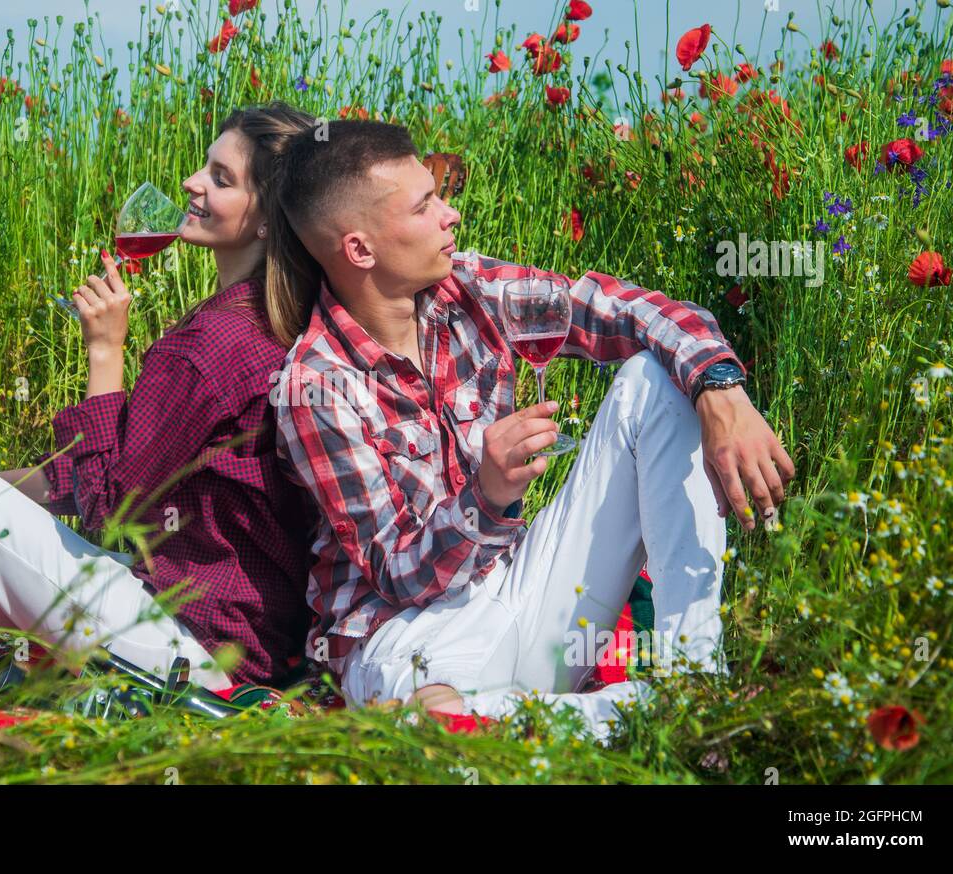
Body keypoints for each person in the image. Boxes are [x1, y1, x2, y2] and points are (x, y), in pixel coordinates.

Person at [270, 120, 795, 742]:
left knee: (655, 378)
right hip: (409, 635)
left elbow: (623, 309)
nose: (452, 213)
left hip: (523, 586)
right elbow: (397, 574)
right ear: (360, 250)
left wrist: (720, 390)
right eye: (425, 204)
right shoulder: (315, 385)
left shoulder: (467, 288)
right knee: (434, 722)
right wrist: (487, 495)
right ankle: (625, 720)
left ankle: (694, 680)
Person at [0, 102, 321, 691]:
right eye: (205, 166)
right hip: (241, 640)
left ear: (266, 221)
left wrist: (104, 350)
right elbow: (113, 472)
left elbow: (109, 511)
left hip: (192, 647)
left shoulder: (212, 344)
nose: (192, 182)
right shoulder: (272, 325)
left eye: (221, 178)